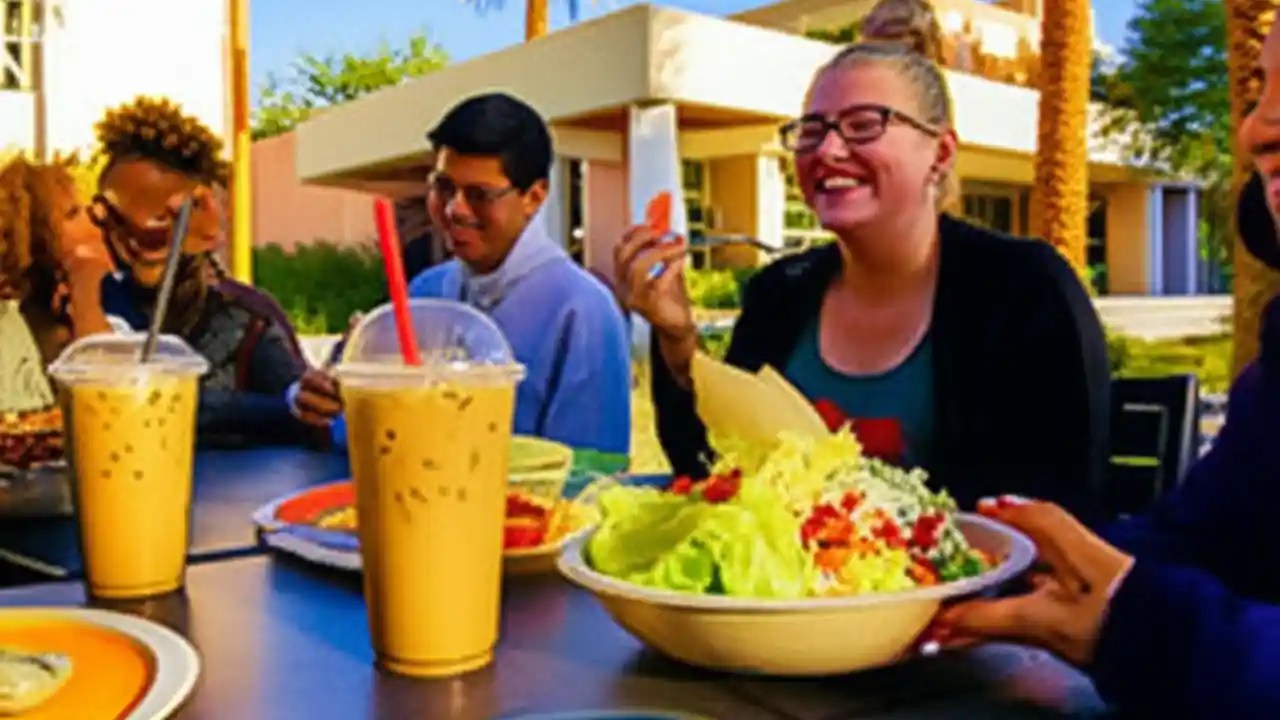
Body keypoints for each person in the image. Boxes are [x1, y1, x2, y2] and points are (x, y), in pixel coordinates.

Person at [617, 13, 1109, 517]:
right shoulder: (779, 295)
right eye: (812, 131)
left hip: (971, 589)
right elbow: (712, 473)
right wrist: (677, 339)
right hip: (790, 593)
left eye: (864, 125)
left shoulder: (1023, 290)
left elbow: (1057, 514)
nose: (828, 150)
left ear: (939, 152)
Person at [932, 21, 1280, 717]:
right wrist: (1006, 567)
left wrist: (1132, 618)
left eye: (865, 123)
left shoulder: (1021, 286)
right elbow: (1198, 537)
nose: (1254, 130)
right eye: (1261, 88)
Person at [293, 92, 632, 457]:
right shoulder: (427, 291)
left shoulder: (582, 311)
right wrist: (326, 402)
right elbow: (381, 433)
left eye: (479, 194)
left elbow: (593, 473)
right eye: (443, 187)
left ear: (534, 196)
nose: (455, 209)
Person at [87, 97, 316, 448]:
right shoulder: (95, 306)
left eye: (165, 220)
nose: (135, 240)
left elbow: (305, 413)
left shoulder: (245, 318)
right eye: (117, 221)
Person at [0, 155, 115, 366]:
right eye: (73, 213)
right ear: (34, 239)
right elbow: (105, 380)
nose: (96, 215)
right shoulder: (29, 330)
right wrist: (86, 290)